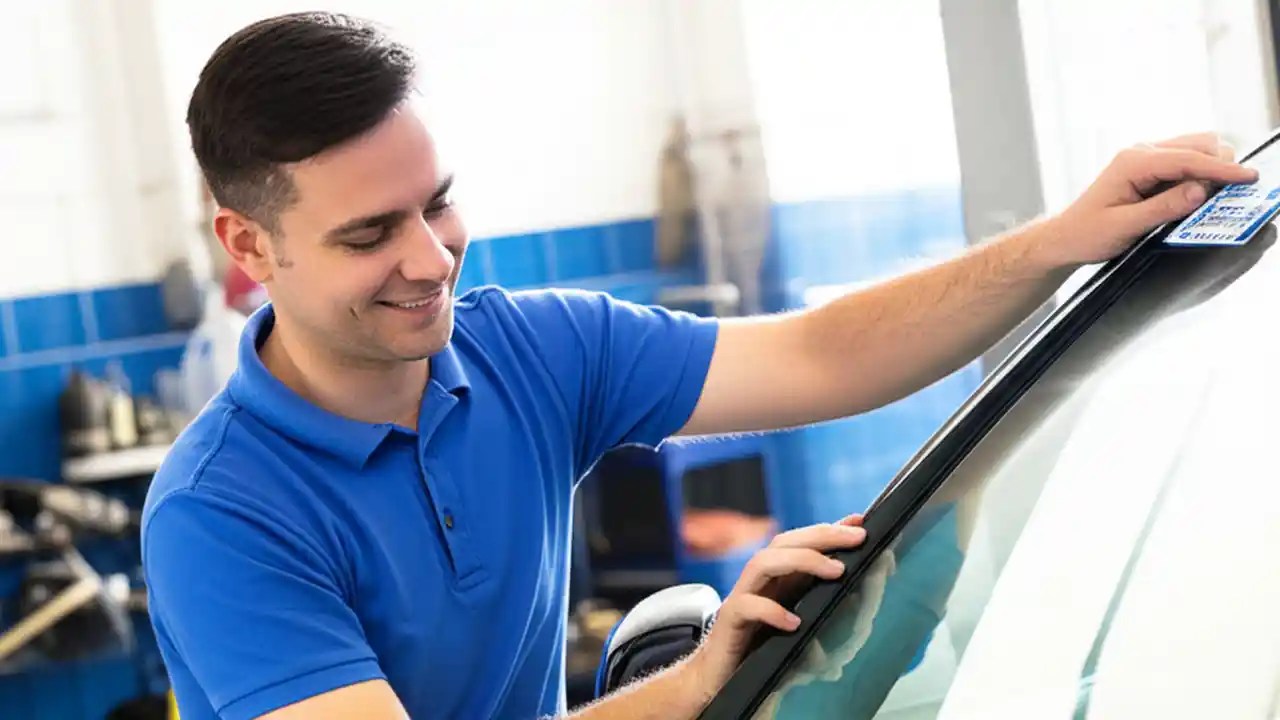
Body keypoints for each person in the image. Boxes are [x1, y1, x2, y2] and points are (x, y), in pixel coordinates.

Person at [140, 11, 1258, 720]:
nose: (429, 258)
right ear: (249, 246)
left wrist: (1062, 240)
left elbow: (819, 356)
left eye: (437, 203)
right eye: (369, 233)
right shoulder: (220, 514)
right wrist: (690, 688)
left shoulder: (527, 350)